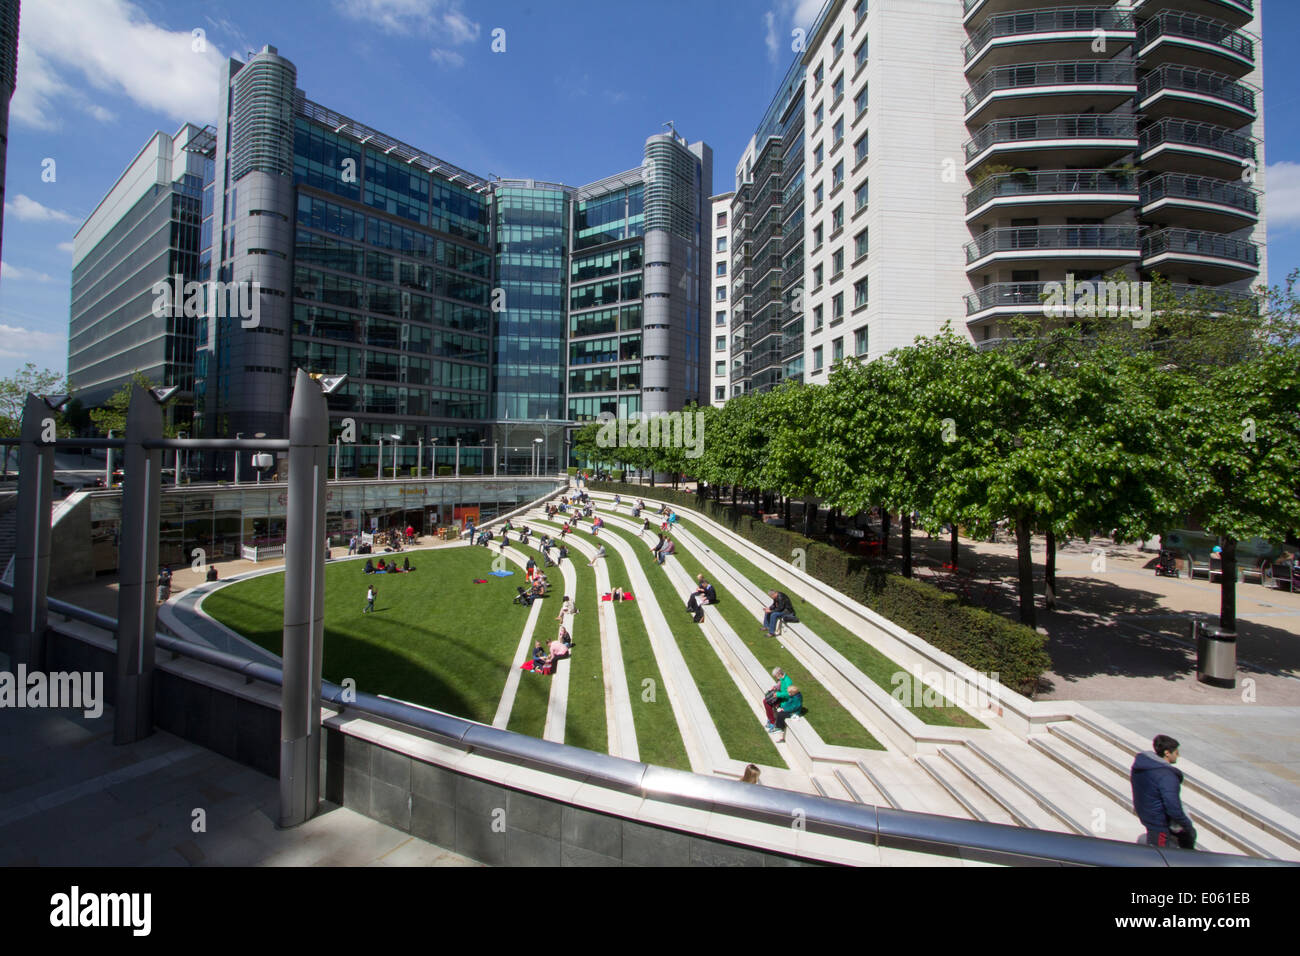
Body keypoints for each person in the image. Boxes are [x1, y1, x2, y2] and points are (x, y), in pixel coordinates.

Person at [1131, 734, 1197, 850]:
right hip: (1159, 824)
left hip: (1147, 817)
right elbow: (1173, 807)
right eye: (1176, 752)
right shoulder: (1167, 776)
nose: (1178, 755)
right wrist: (1187, 826)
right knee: (1161, 855)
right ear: (1167, 753)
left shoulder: (1142, 766)